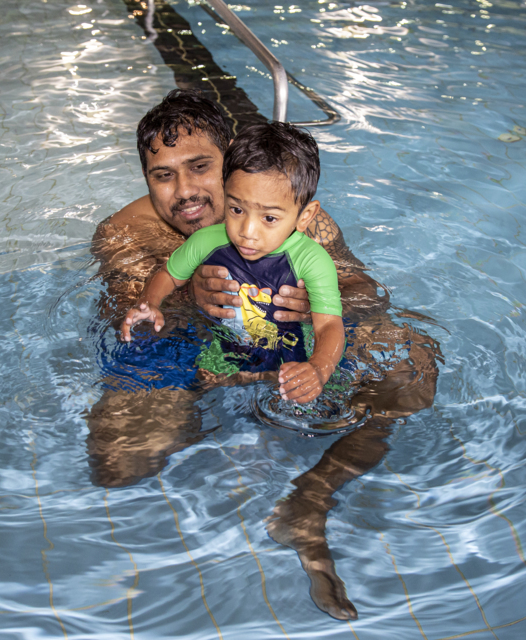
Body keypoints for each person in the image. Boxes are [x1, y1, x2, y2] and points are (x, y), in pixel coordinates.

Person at [89, 89, 440, 621]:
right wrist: (191, 302)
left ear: (232, 160)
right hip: (196, 357)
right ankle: (224, 446)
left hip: (291, 350)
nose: (184, 191)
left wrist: (314, 310)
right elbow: (125, 313)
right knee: (118, 461)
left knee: (413, 368)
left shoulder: (297, 221)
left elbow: (365, 297)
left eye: (200, 166)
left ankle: (312, 496)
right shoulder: (125, 232)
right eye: (163, 175)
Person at [120, 122, 345, 404]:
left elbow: (329, 326)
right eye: (237, 209)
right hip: (223, 352)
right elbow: (168, 274)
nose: (247, 232)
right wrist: (149, 302)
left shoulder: (311, 260)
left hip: (290, 357)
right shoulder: (206, 241)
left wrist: (319, 369)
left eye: (269, 218)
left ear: (305, 216)